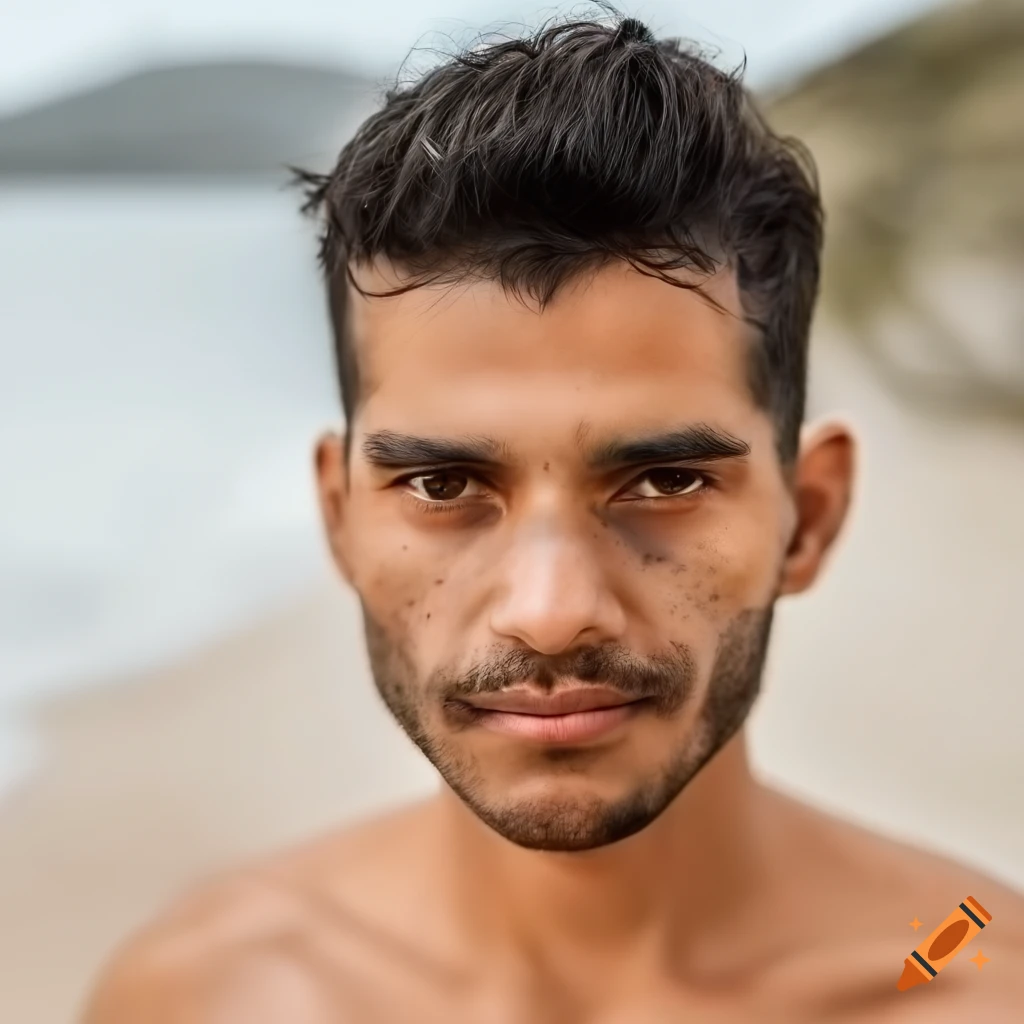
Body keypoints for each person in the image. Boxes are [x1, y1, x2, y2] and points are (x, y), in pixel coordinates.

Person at [84, 8, 1024, 1022]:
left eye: (664, 482)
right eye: (444, 486)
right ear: (338, 516)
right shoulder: (210, 993)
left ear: (809, 514)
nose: (549, 612)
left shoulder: (967, 974)